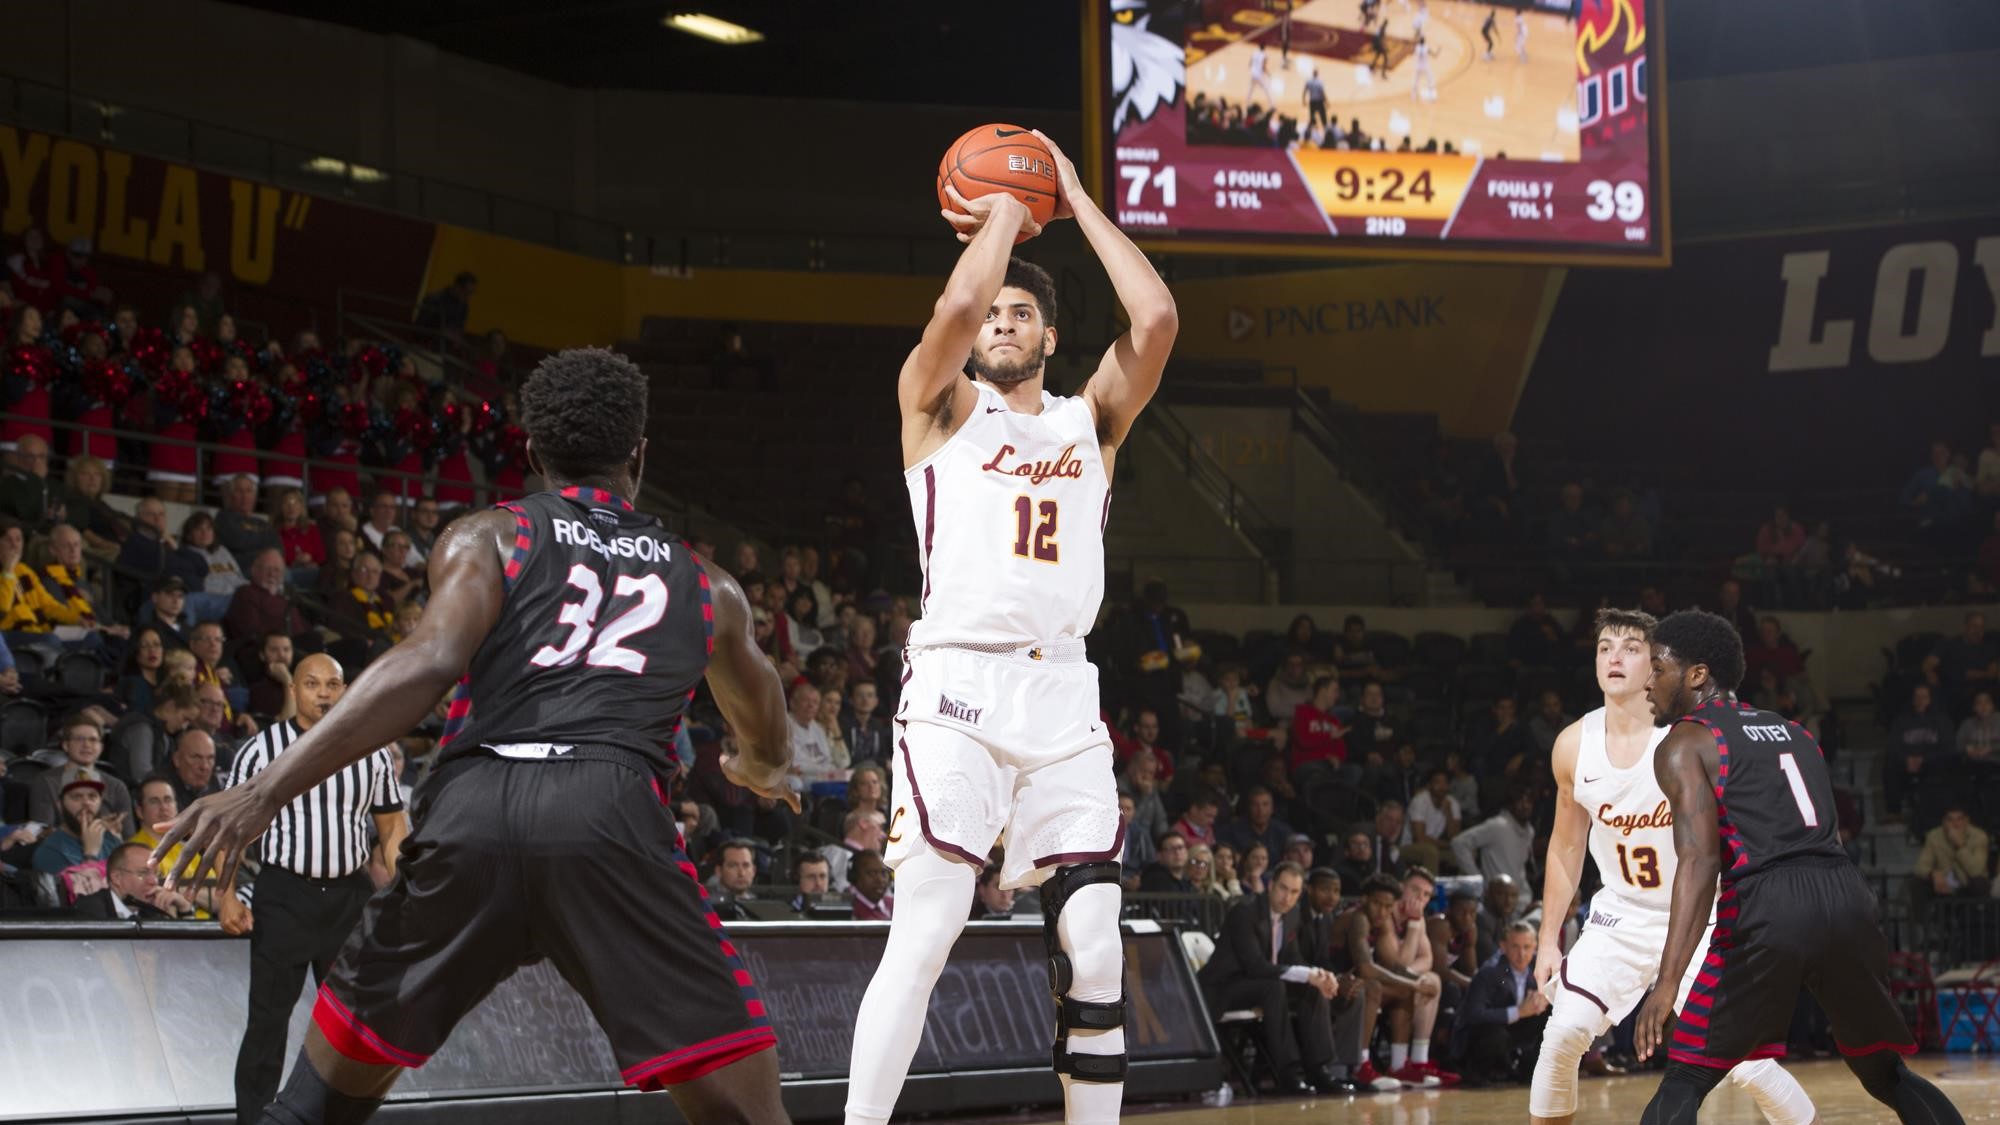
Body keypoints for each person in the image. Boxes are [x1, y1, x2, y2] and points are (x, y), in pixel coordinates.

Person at [152, 348, 799, 1125]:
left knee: (314, 1106)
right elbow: (767, 735)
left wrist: (263, 789)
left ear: (531, 454)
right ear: (639, 454)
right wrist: (754, 767)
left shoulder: (492, 536)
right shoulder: (708, 584)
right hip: (611, 816)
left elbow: (428, 661)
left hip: (475, 814)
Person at [846, 129, 1177, 1125]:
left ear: (1049, 338)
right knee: (927, 927)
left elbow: (1155, 316)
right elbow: (951, 305)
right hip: (956, 686)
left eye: (1020, 312)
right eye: (994, 311)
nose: (997, 320)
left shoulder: (1092, 422)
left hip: (1062, 690)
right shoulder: (937, 409)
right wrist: (1002, 212)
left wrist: (1071, 199)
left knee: (1096, 943)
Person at [1634, 611, 1963, 1124]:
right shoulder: (1796, 732)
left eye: (1657, 667)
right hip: (1844, 893)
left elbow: (1700, 860)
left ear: (1697, 675)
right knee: (1883, 1071)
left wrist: (1667, 982)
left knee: (1688, 1075)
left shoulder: (1685, 742)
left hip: (1769, 903)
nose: (1647, 680)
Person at [1530, 608, 1814, 1125]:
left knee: (1748, 1065)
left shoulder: (1691, 737)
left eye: (1631, 647)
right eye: (1604, 647)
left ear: (1658, 664)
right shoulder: (1573, 744)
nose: (1614, 656)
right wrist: (1549, 938)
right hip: (1619, 917)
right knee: (1564, 1033)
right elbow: (1565, 847)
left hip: (1700, 919)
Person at [217, 652, 408, 1122]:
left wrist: (406, 892)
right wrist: (224, 895)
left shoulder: (374, 752)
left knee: (351, 1027)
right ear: (294, 690)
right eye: (312, 684)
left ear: (345, 690)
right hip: (284, 894)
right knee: (268, 1022)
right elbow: (231, 831)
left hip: (348, 896)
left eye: (333, 684)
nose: (324, 693)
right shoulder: (261, 751)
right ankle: (254, 1119)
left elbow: (390, 830)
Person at [1197, 862, 1346, 1095]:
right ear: (1270, 886)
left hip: (1261, 983)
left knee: (1310, 988)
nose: (1288, 897)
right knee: (1274, 987)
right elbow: (1254, 965)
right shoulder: (1244, 911)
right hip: (1223, 987)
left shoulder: (1292, 914)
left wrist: (1320, 976)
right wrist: (1308, 975)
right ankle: (1288, 1074)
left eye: (1294, 892)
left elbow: (1294, 958)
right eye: (1283, 889)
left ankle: (1319, 1071)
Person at [1457, 922, 1550, 1086]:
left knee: (1552, 1015)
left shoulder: (1541, 969)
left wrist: (1545, 998)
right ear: (1503, 946)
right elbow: (1474, 1014)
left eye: (1527, 947)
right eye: (1515, 947)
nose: (1521, 954)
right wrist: (1518, 1012)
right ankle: (1480, 1073)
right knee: (1495, 1035)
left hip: (1516, 1033)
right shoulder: (1489, 972)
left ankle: (1531, 1071)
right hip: (1485, 1035)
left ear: (1535, 947)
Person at [30, 713, 133, 836]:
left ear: (101, 747)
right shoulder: (45, 781)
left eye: (93, 740)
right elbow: (42, 832)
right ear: (66, 745)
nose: (87, 745)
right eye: (79, 739)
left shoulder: (117, 786)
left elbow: (128, 836)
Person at [76, 841, 199, 920]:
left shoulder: (153, 909)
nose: (154, 881)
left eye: (156, 874)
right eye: (143, 873)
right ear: (117, 878)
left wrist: (185, 909)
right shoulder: (89, 910)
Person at [1452, 783, 1537, 890]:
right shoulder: (1497, 826)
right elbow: (1459, 843)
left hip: (1520, 898)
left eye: (1529, 801)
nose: (1525, 806)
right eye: (1520, 801)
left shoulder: (1529, 831)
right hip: (1495, 899)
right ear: (1510, 804)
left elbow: (1521, 870)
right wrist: (1478, 880)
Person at [849, 850, 894, 921]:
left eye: (884, 873)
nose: (880, 880)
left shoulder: (894, 904)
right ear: (855, 876)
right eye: (872, 873)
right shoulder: (848, 909)